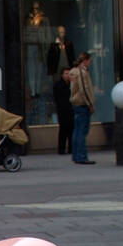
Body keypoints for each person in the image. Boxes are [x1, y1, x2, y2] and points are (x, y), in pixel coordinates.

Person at [47, 24, 75, 155]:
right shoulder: (54, 45)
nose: (62, 34)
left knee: (70, 128)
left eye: (64, 32)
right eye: (60, 32)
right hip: (63, 108)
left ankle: (70, 148)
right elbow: (50, 59)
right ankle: (62, 148)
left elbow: (72, 56)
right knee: (64, 128)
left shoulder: (68, 44)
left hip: (68, 108)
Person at [66, 51, 96, 164]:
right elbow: (84, 89)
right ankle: (81, 156)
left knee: (77, 130)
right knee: (82, 131)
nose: (90, 63)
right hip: (82, 103)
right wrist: (90, 104)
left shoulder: (73, 71)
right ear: (85, 60)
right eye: (89, 61)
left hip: (76, 103)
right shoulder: (82, 72)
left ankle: (76, 155)